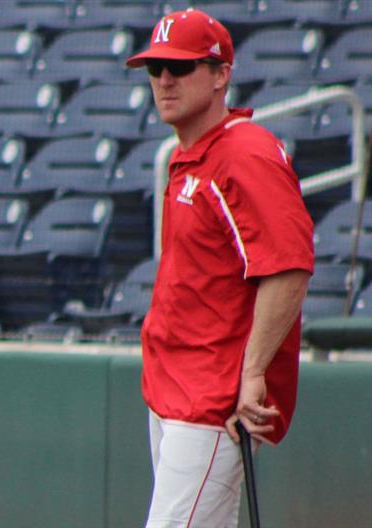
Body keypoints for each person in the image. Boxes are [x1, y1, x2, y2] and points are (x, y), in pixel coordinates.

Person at [126, 10, 314, 527]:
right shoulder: (190, 155)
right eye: (156, 67)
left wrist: (254, 372)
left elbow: (290, 267)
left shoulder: (245, 154)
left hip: (213, 401)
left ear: (220, 73)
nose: (165, 79)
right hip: (174, 387)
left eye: (181, 68)